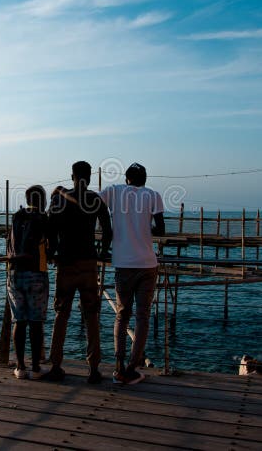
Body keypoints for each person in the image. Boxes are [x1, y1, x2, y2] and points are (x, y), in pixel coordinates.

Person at [43, 161, 112, 384]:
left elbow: (50, 230)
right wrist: (102, 252)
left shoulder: (60, 199)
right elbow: (108, 229)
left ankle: (55, 365)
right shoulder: (95, 200)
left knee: (61, 314)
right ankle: (93, 369)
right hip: (89, 263)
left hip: (65, 263)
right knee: (92, 315)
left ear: (71, 176)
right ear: (89, 177)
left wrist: (52, 252)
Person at [101, 162, 165, 385]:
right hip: (148, 264)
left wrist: (112, 228)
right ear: (145, 179)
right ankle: (132, 366)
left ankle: (118, 365)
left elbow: (94, 204)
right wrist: (144, 229)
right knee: (143, 317)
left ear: (127, 178)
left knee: (122, 314)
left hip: (123, 264)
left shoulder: (114, 191)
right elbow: (161, 229)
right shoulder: (153, 195)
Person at [6, 185, 52, 379]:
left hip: (14, 273)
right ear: (42, 200)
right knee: (35, 322)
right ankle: (34, 368)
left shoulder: (17, 216)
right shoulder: (43, 219)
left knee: (19, 321)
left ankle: (20, 367)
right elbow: (52, 245)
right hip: (36, 273)